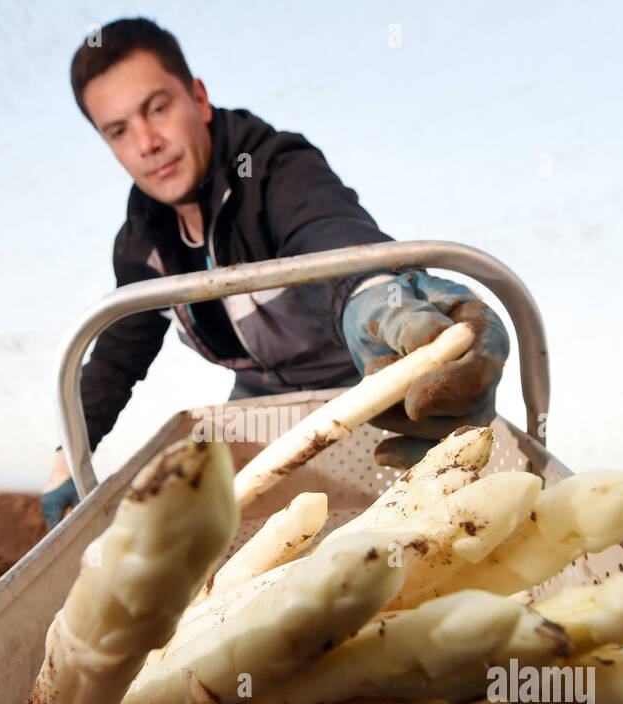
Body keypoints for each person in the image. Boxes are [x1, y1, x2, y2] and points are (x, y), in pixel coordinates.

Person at [40, 17, 509, 529]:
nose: (147, 142)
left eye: (157, 108)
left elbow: (329, 230)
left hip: (365, 381)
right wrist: (68, 459)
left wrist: (374, 296)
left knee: (418, 524)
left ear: (197, 98)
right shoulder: (141, 244)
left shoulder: (273, 169)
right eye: (119, 130)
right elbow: (117, 357)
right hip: (260, 400)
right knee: (225, 530)